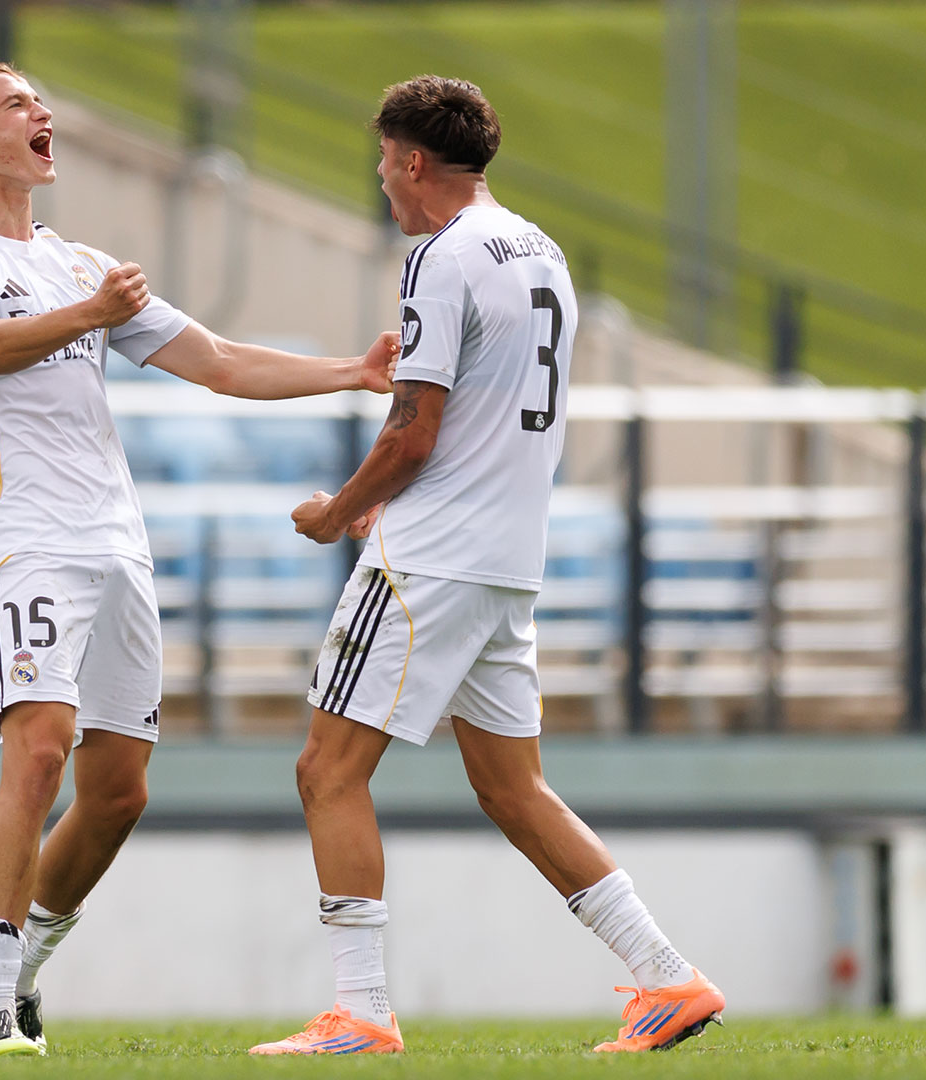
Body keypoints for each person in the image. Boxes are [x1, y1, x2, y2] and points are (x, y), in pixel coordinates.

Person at [0, 63, 398, 1058]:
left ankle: (28, 970)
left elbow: (216, 360)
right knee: (38, 750)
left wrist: (354, 371)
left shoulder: (83, 262)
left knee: (120, 790)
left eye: (42, 101)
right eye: (18, 105)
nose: (43, 114)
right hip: (27, 542)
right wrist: (91, 316)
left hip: (116, 545)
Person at [249, 75, 724, 1057]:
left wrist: (339, 511)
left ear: (414, 159)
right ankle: (668, 977)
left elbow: (415, 430)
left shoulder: (440, 258)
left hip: (430, 558)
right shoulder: (541, 249)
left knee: (327, 770)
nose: (381, 178)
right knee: (515, 789)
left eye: (385, 158)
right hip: (509, 558)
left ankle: (361, 1011)